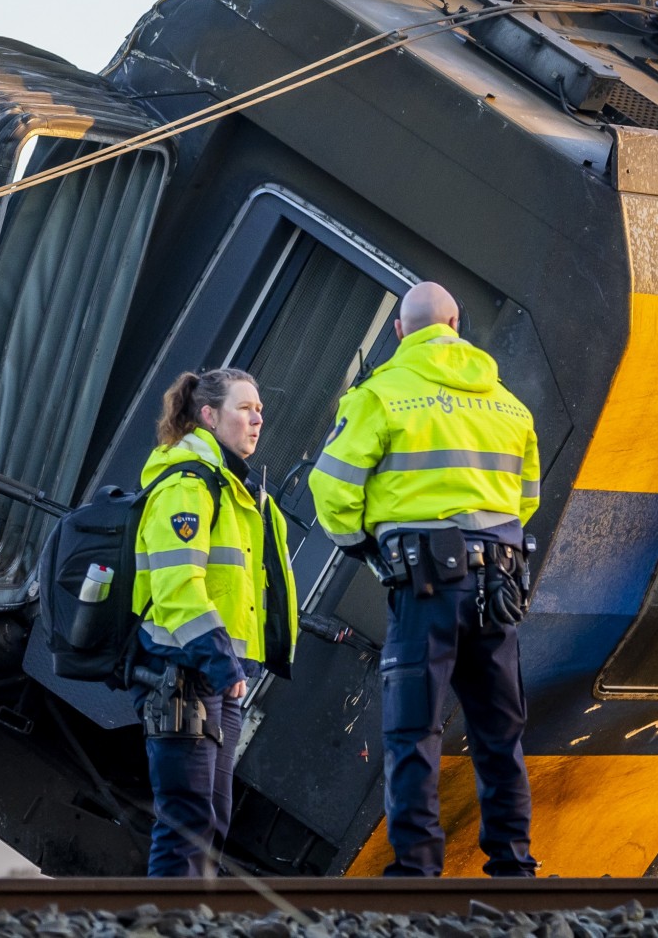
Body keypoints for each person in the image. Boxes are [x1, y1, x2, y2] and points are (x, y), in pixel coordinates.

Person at [308, 281, 540, 877]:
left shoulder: (379, 395)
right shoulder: (509, 406)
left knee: (414, 728)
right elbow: (527, 499)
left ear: (399, 331)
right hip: (500, 586)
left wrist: (365, 545)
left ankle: (416, 869)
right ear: (457, 326)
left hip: (426, 584)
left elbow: (330, 488)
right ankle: (514, 864)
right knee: (500, 731)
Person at [131, 367, 298, 877]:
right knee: (188, 821)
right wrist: (223, 663)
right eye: (245, 409)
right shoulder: (187, 485)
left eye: (260, 410)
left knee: (211, 822)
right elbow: (178, 588)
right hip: (183, 672)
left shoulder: (240, 493)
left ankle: (193, 914)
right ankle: (169, 918)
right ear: (208, 415)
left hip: (221, 677)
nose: (258, 420)